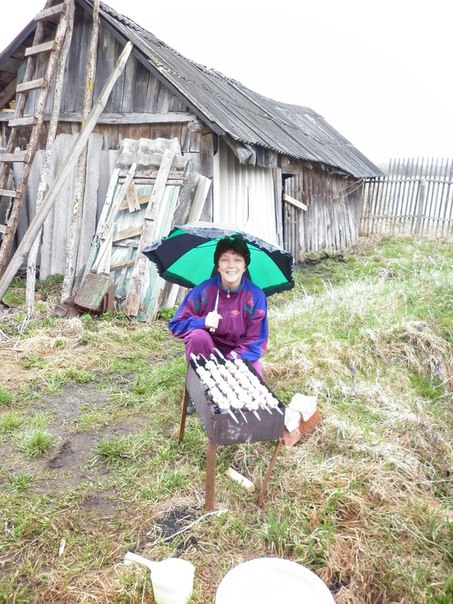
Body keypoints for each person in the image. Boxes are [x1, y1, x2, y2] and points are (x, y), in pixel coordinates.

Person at [168, 235, 269, 411]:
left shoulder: (256, 296)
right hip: (209, 350)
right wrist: (202, 322)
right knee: (197, 336)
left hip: (241, 353)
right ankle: (198, 388)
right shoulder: (204, 291)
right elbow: (176, 325)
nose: (231, 266)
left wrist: (229, 363)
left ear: (245, 266)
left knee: (254, 395)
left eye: (237, 260)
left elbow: (256, 340)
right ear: (218, 265)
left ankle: (225, 386)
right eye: (225, 260)